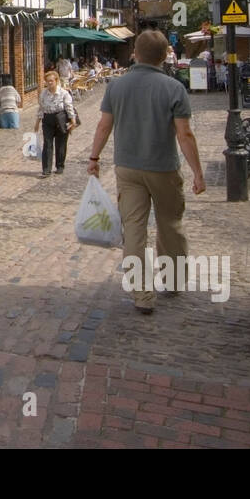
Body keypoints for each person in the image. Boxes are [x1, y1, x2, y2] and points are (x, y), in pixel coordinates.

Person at [86, 28, 206, 315]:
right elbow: (185, 135)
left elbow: (104, 125)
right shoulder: (173, 88)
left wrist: (94, 157)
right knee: (170, 224)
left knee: (134, 230)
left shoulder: (116, 86)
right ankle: (173, 280)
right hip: (163, 167)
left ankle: (142, 295)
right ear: (166, 56)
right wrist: (198, 173)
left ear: (134, 54)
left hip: (127, 168)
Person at [34, 69, 76, 178]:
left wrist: (73, 120)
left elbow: (69, 107)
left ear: (56, 81)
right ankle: (46, 169)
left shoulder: (63, 93)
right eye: (47, 81)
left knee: (61, 144)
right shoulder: (43, 93)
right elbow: (41, 108)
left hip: (61, 118)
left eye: (51, 81)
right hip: (48, 119)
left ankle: (60, 166)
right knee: (47, 144)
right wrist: (37, 122)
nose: (49, 83)